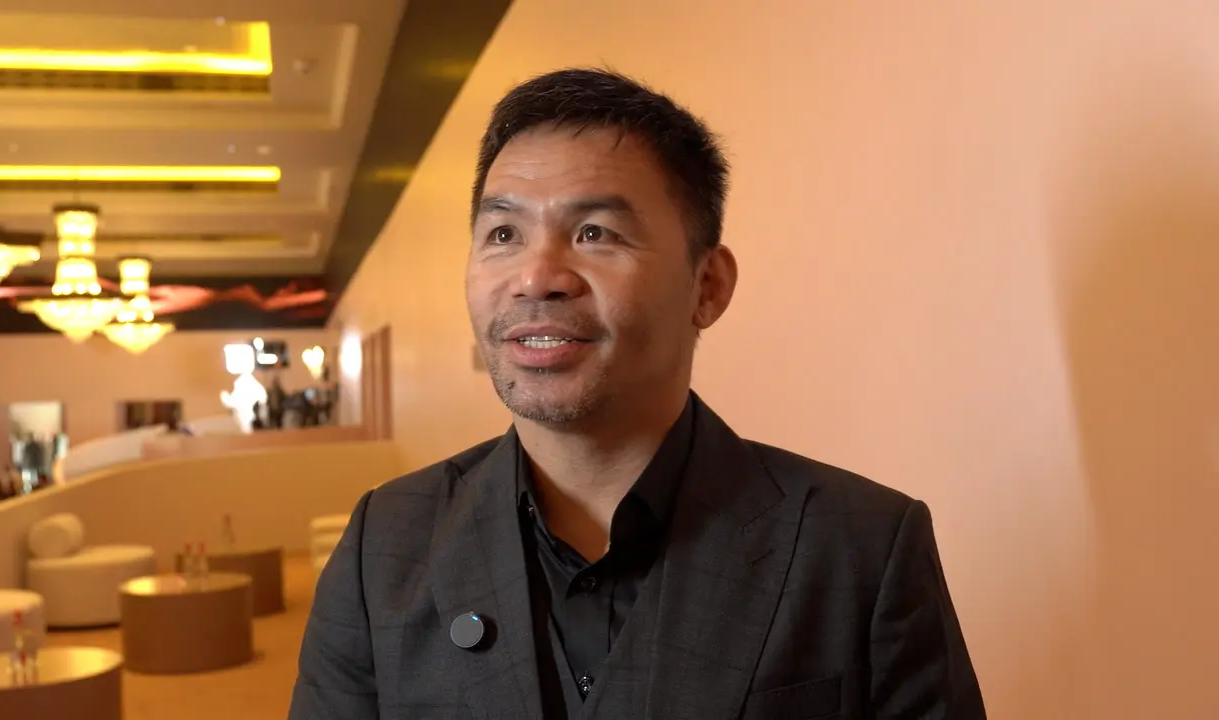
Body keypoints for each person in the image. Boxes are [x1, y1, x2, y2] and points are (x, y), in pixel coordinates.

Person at [289, 69, 985, 719]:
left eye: (595, 233)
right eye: (503, 233)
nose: (537, 277)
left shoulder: (860, 546)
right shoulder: (386, 544)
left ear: (707, 286)